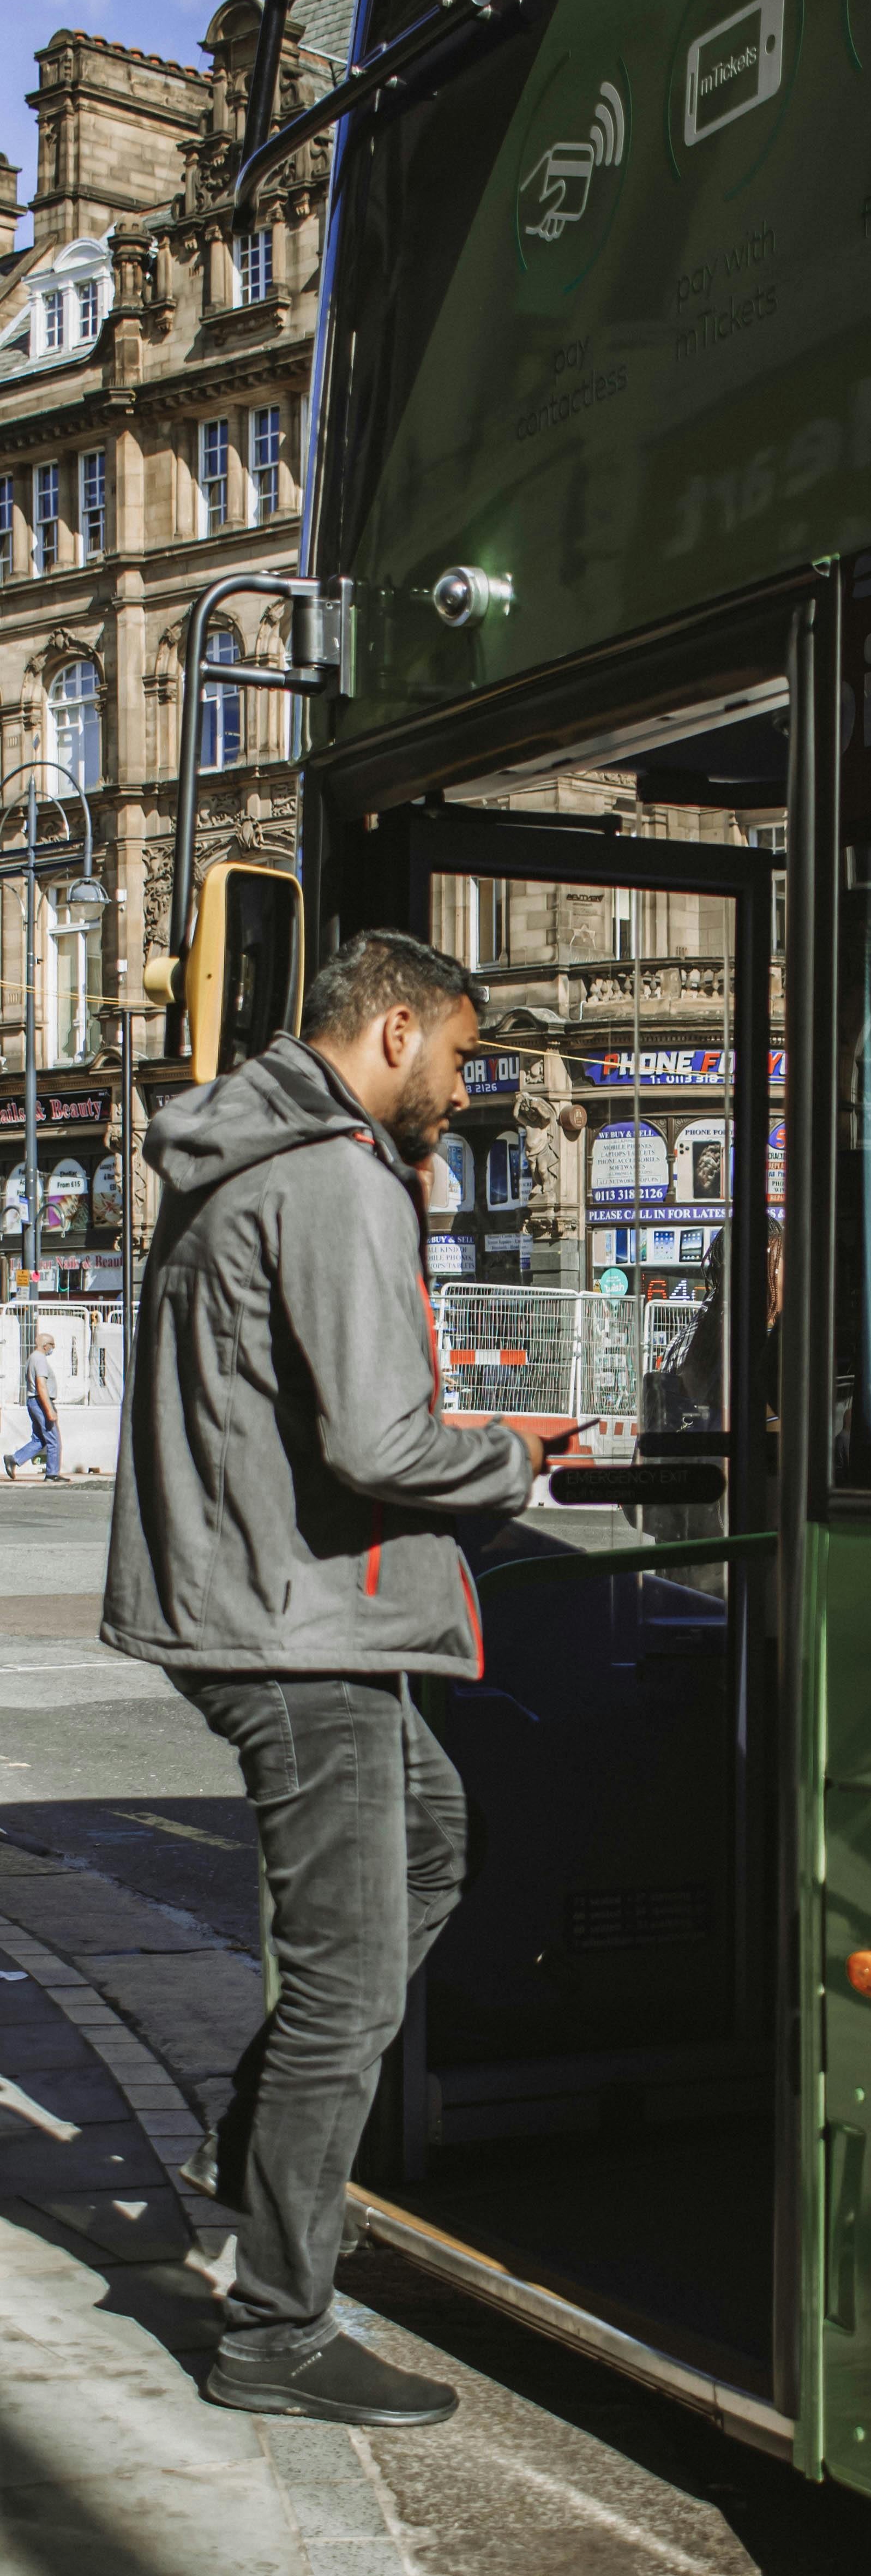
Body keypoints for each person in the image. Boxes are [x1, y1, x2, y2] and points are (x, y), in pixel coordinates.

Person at [102, 930, 546, 2428]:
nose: (464, 1087)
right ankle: (279, 2326)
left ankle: (252, 2152)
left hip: (249, 1602)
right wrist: (517, 1456)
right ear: (397, 1028)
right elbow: (378, 1444)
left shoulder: (238, 1157)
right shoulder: (337, 1175)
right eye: (463, 1057)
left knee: (430, 1839)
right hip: (303, 1631)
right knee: (347, 1978)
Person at [5, 1329, 62, 1481]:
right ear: (45, 1346)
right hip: (41, 1402)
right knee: (53, 1439)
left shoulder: (33, 1358)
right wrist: (49, 1409)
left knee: (40, 1440)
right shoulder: (40, 1359)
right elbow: (41, 1385)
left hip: (34, 1402)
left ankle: (14, 1459)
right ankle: (52, 1474)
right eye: (52, 1345)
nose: (53, 1348)